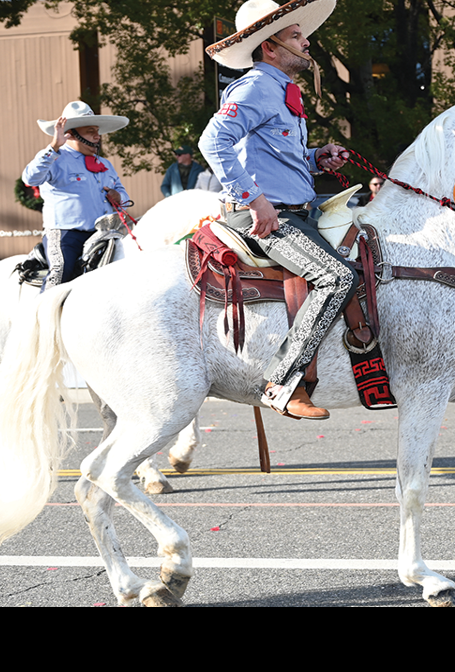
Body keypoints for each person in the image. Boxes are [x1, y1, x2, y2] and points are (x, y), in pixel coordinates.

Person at [200, 0, 354, 421]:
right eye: (296, 36)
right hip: (268, 216)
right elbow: (212, 143)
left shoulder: (280, 90)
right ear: (269, 47)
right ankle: (282, 383)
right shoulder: (254, 88)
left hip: (293, 209)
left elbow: (273, 156)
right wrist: (255, 200)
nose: (308, 43)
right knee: (337, 277)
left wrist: (316, 157)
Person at [22, 101, 130, 293]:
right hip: (66, 234)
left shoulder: (105, 163)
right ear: (70, 134)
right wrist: (54, 146)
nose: (97, 136)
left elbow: (123, 193)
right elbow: (31, 177)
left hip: (103, 233)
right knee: (60, 273)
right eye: (90, 131)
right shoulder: (55, 158)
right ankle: (41, 317)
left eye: (97, 131)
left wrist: (118, 196)